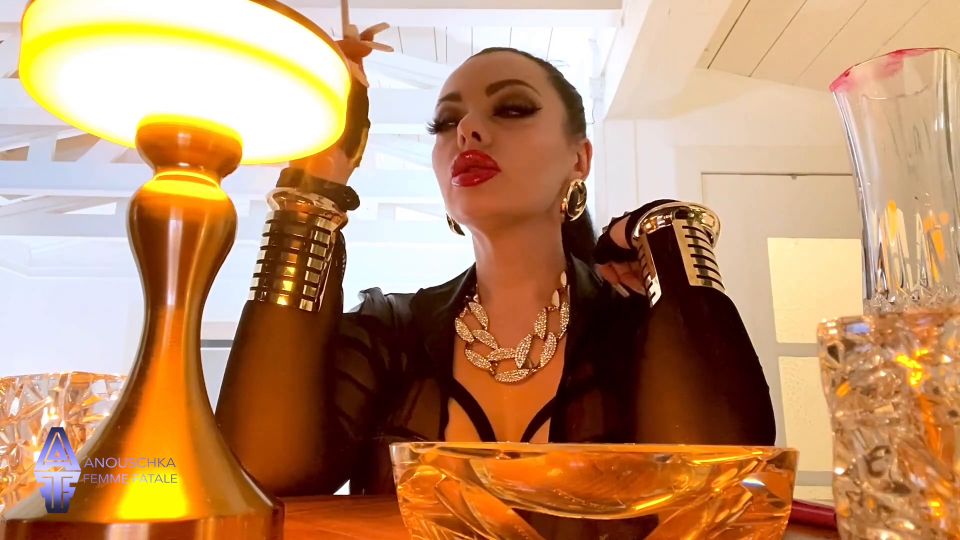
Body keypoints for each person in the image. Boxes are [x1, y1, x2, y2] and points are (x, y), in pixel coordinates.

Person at [215, 24, 776, 497]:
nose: (467, 130)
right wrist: (316, 181)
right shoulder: (392, 333)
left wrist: (664, 227)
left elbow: (722, 481)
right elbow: (262, 468)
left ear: (579, 159)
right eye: (445, 122)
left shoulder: (642, 335)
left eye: (511, 108)